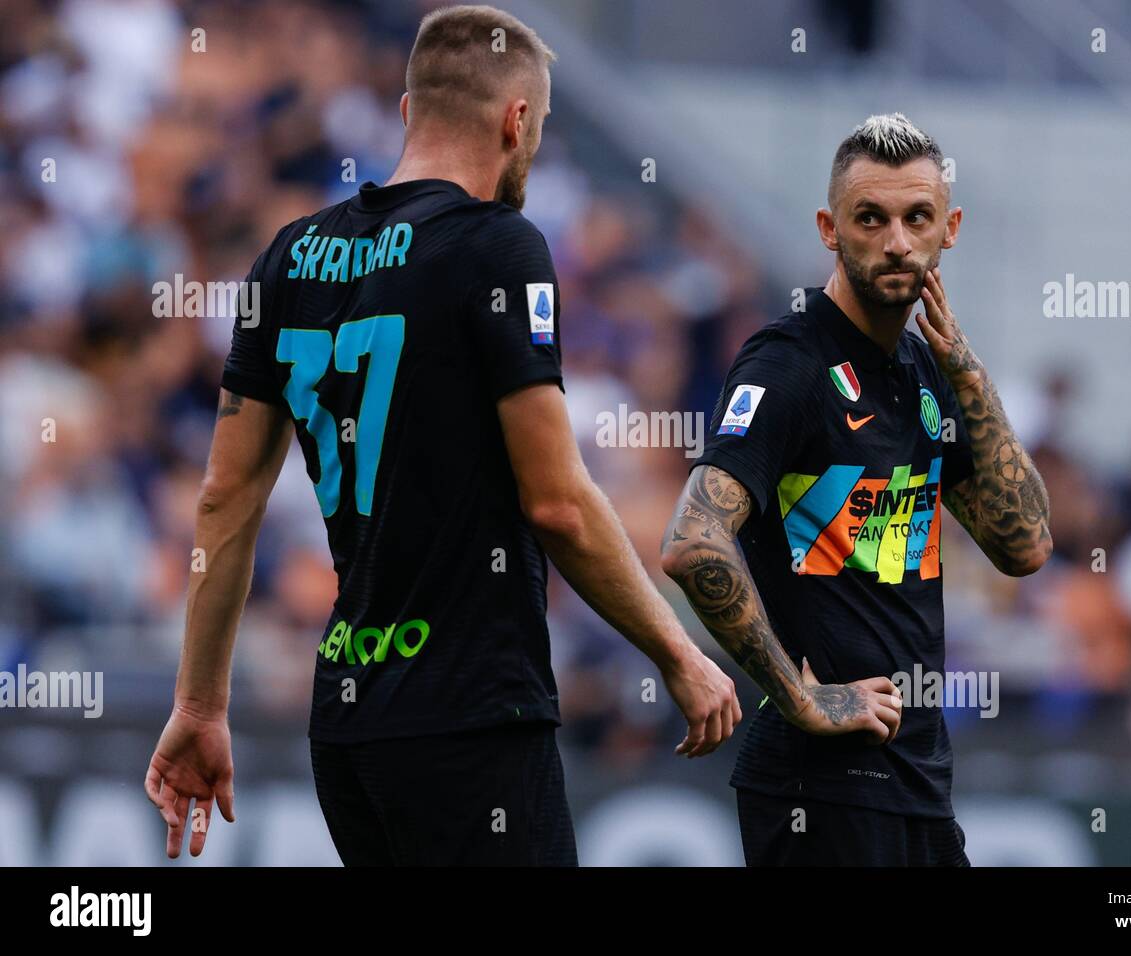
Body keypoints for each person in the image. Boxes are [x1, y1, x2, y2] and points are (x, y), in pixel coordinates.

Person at [145, 4, 738, 867]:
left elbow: (224, 495)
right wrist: (680, 654)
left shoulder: (289, 257)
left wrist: (199, 708)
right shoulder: (496, 247)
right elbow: (559, 503)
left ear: (405, 112)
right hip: (468, 715)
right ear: (517, 120)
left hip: (348, 722)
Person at [660, 113, 1052, 866]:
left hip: (915, 779)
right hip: (821, 787)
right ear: (829, 228)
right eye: (870, 219)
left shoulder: (929, 367)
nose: (897, 241)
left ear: (951, 227)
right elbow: (691, 542)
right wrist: (800, 696)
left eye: (917, 218)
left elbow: (1026, 543)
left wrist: (967, 370)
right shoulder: (789, 363)